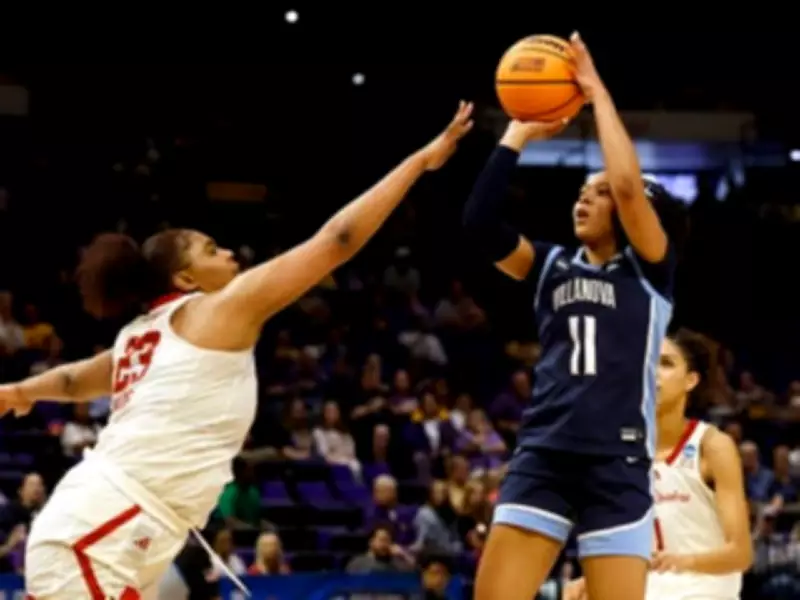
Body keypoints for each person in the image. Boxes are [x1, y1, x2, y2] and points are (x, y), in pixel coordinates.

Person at [0, 102, 474, 600]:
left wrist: (18, 391)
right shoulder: (218, 309)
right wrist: (419, 162)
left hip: (113, 527)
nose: (227, 252)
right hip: (101, 530)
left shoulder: (142, 335)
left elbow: (76, 381)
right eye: (209, 249)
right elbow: (337, 239)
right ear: (184, 279)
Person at [464, 33, 687, 600]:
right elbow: (480, 225)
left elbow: (632, 191)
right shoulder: (549, 265)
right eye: (581, 192)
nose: (584, 199)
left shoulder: (649, 272)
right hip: (545, 452)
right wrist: (518, 131)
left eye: (599, 192)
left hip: (617, 462)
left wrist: (595, 92)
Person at [563, 329, 752, 599]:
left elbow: (740, 555)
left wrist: (679, 562)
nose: (653, 373)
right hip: (653, 587)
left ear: (691, 380)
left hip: (705, 589)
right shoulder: (623, 452)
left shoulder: (712, 446)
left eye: (665, 363)